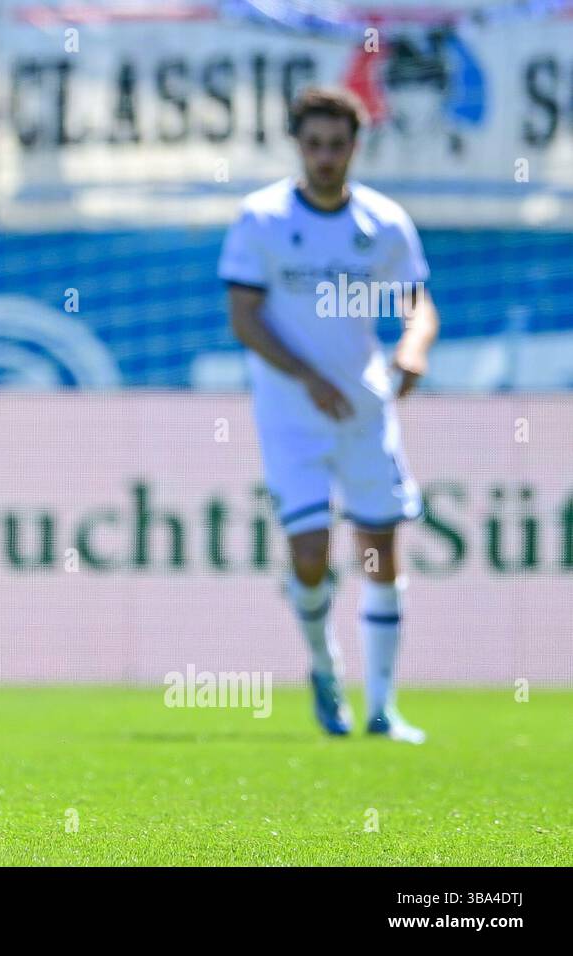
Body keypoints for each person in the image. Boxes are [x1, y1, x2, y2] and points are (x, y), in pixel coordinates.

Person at [217, 87, 439, 743]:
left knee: (380, 553)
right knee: (311, 554)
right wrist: (307, 376)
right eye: (313, 144)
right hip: (291, 413)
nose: (324, 157)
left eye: (336, 145)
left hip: (364, 409)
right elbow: (243, 319)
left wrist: (414, 347)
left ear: (354, 147)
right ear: (298, 145)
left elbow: (417, 304)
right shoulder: (260, 219)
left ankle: (381, 708)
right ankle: (322, 668)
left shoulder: (384, 224)